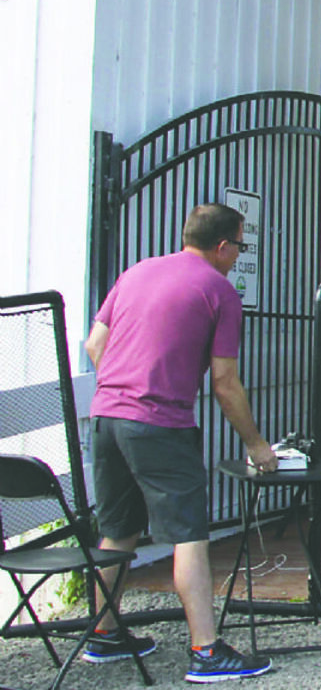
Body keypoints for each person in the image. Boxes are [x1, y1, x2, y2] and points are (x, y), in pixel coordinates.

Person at [83, 202, 278, 683]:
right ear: (223, 245)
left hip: (107, 417)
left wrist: (125, 385)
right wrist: (256, 444)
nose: (238, 255)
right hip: (160, 423)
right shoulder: (219, 291)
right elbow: (225, 382)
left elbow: (94, 345)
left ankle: (103, 635)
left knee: (118, 530)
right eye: (239, 246)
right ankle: (207, 653)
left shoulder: (138, 272)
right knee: (190, 536)